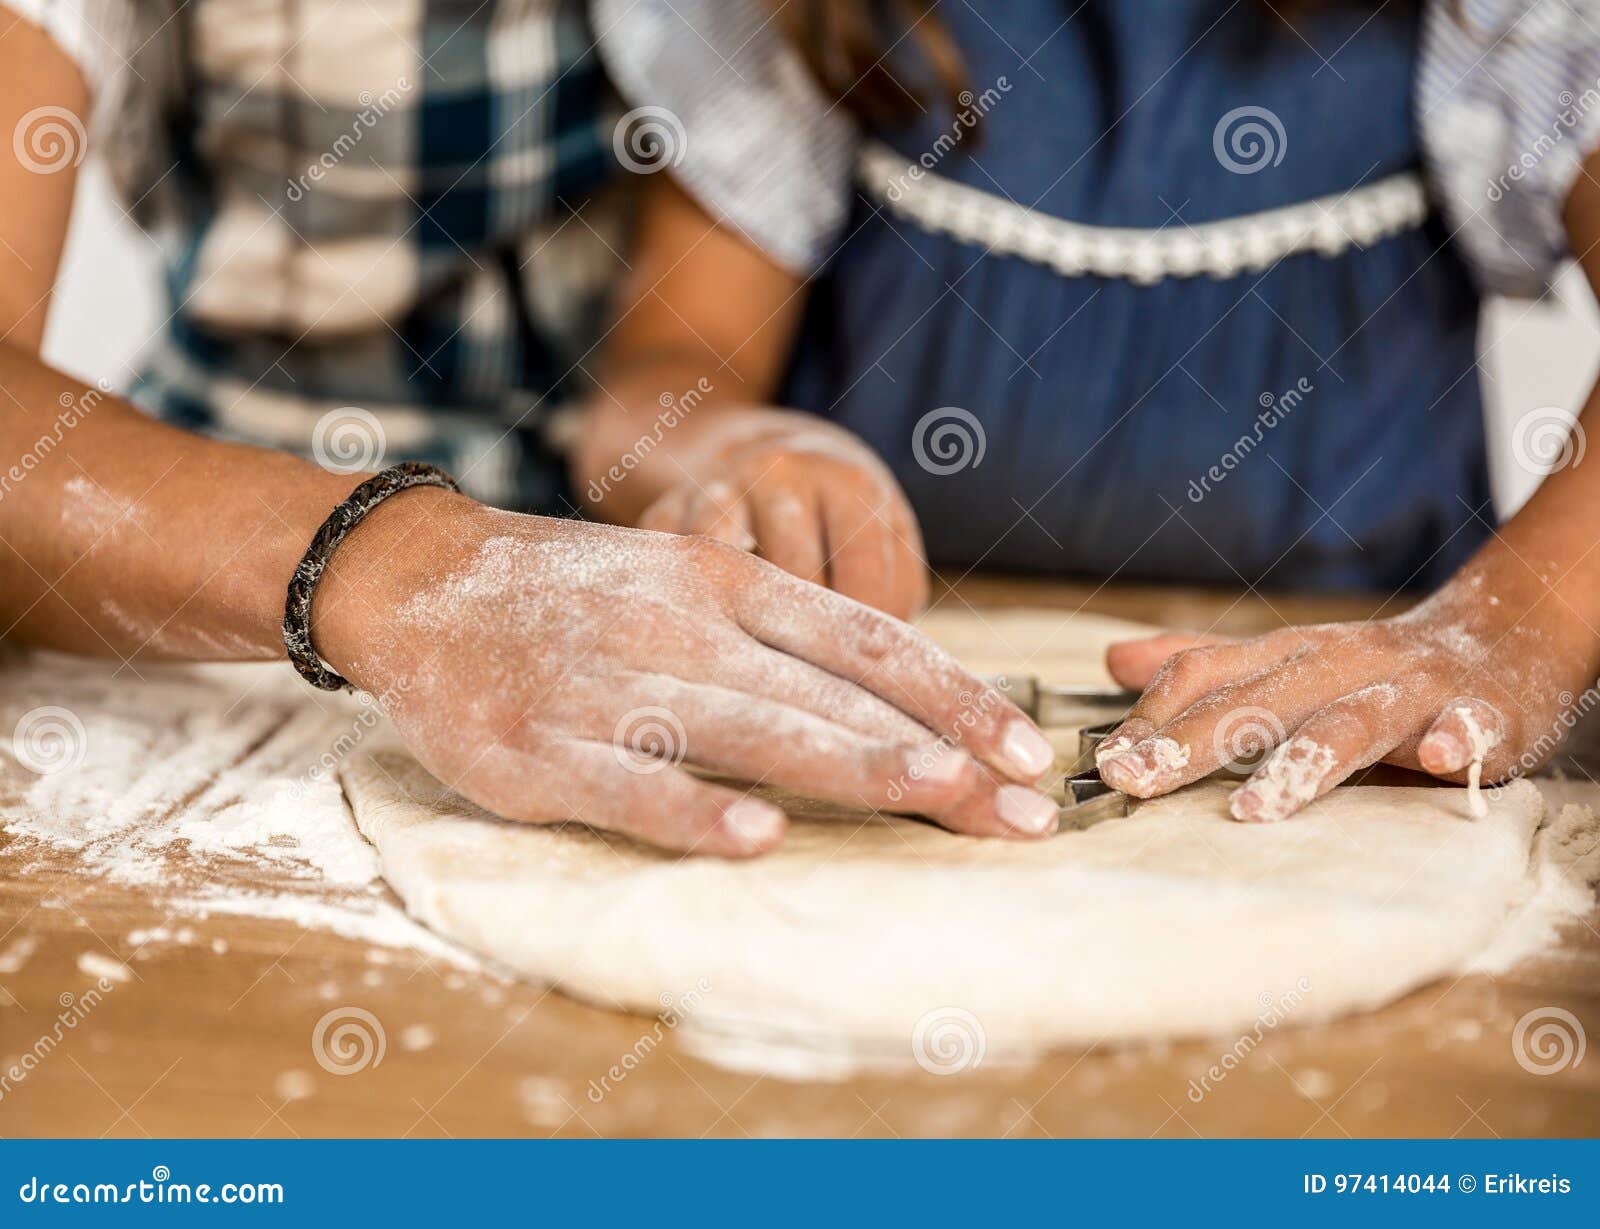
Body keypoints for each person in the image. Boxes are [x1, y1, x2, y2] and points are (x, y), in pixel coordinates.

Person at [0, 0, 1062, 856]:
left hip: (592, 629)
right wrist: (415, 577)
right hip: (170, 575)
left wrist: (730, 454)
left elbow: (672, 364)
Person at [575, 0, 1600, 823]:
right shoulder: (810, 16)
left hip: (1367, 719)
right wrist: (729, 448)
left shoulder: (1498, 22)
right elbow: (656, 384)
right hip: (880, 680)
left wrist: (1507, 627)